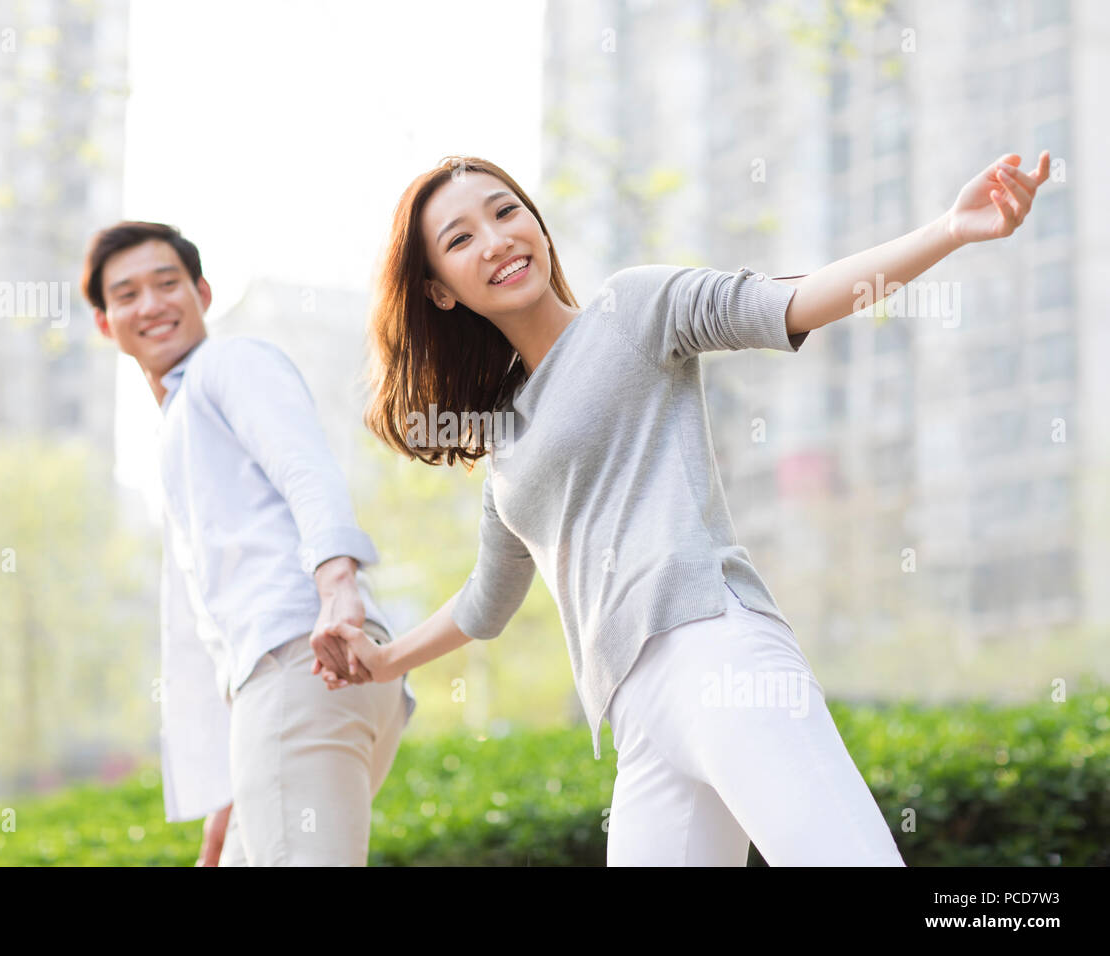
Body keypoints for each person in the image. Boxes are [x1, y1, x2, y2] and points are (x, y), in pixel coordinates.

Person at [317, 151, 1050, 865]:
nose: (497, 238)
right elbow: (486, 600)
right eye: (461, 238)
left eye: (507, 211)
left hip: (713, 642)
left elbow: (794, 299)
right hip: (637, 720)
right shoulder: (504, 443)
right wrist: (383, 662)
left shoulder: (633, 309)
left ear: (538, 226)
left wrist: (950, 229)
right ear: (440, 289)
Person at [82, 221, 415, 866]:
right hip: (293, 685)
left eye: (166, 283)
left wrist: (338, 583)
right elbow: (212, 627)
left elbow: (306, 467)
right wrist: (231, 794)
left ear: (202, 292)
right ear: (104, 323)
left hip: (308, 656)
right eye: (126, 295)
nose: (150, 304)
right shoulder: (181, 420)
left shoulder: (228, 364)